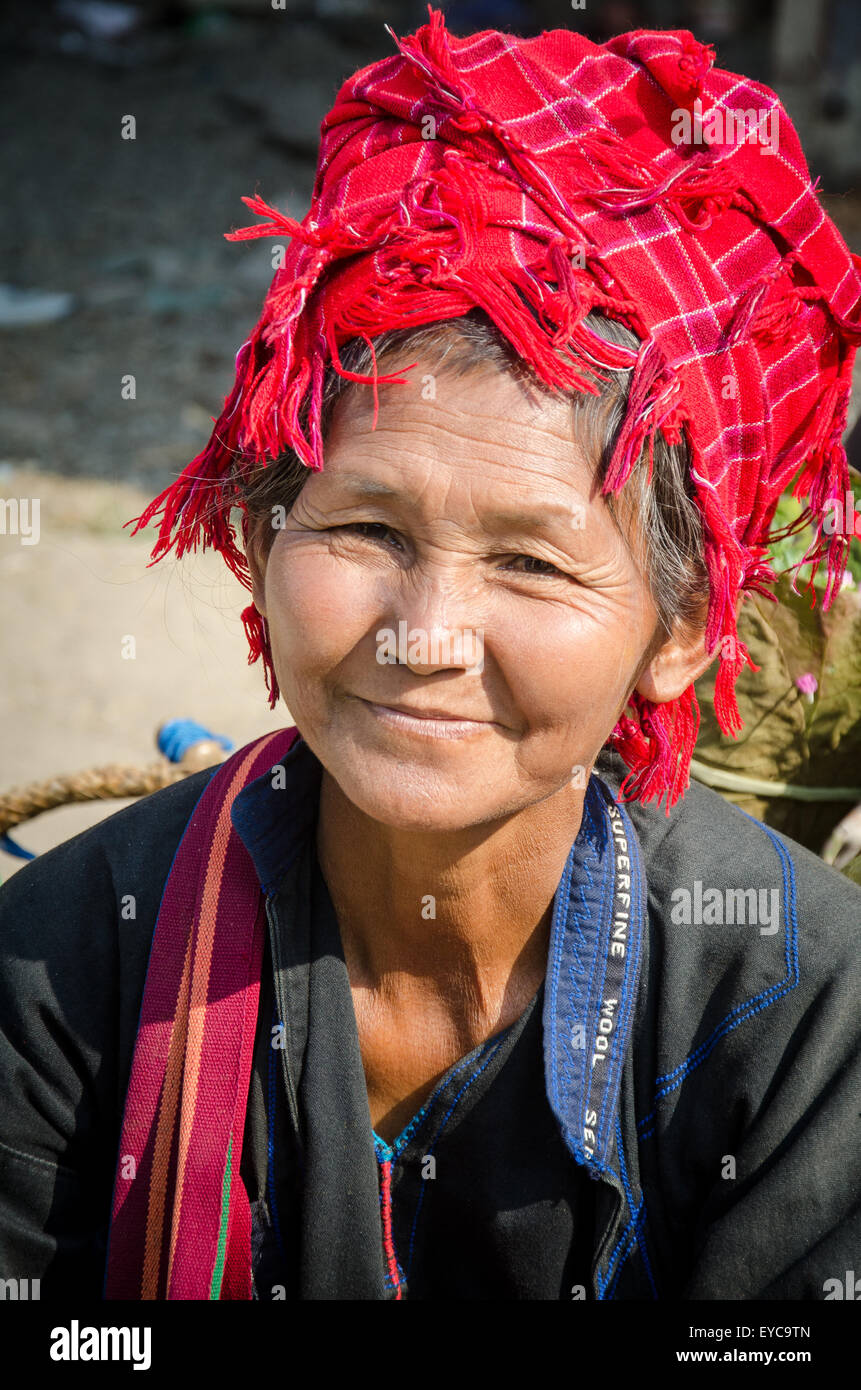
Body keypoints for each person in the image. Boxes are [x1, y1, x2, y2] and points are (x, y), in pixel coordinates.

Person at [1, 9, 860, 1302]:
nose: (425, 633)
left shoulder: (801, 1010)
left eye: (529, 559)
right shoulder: (63, 964)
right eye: (365, 527)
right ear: (256, 531)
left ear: (679, 631)